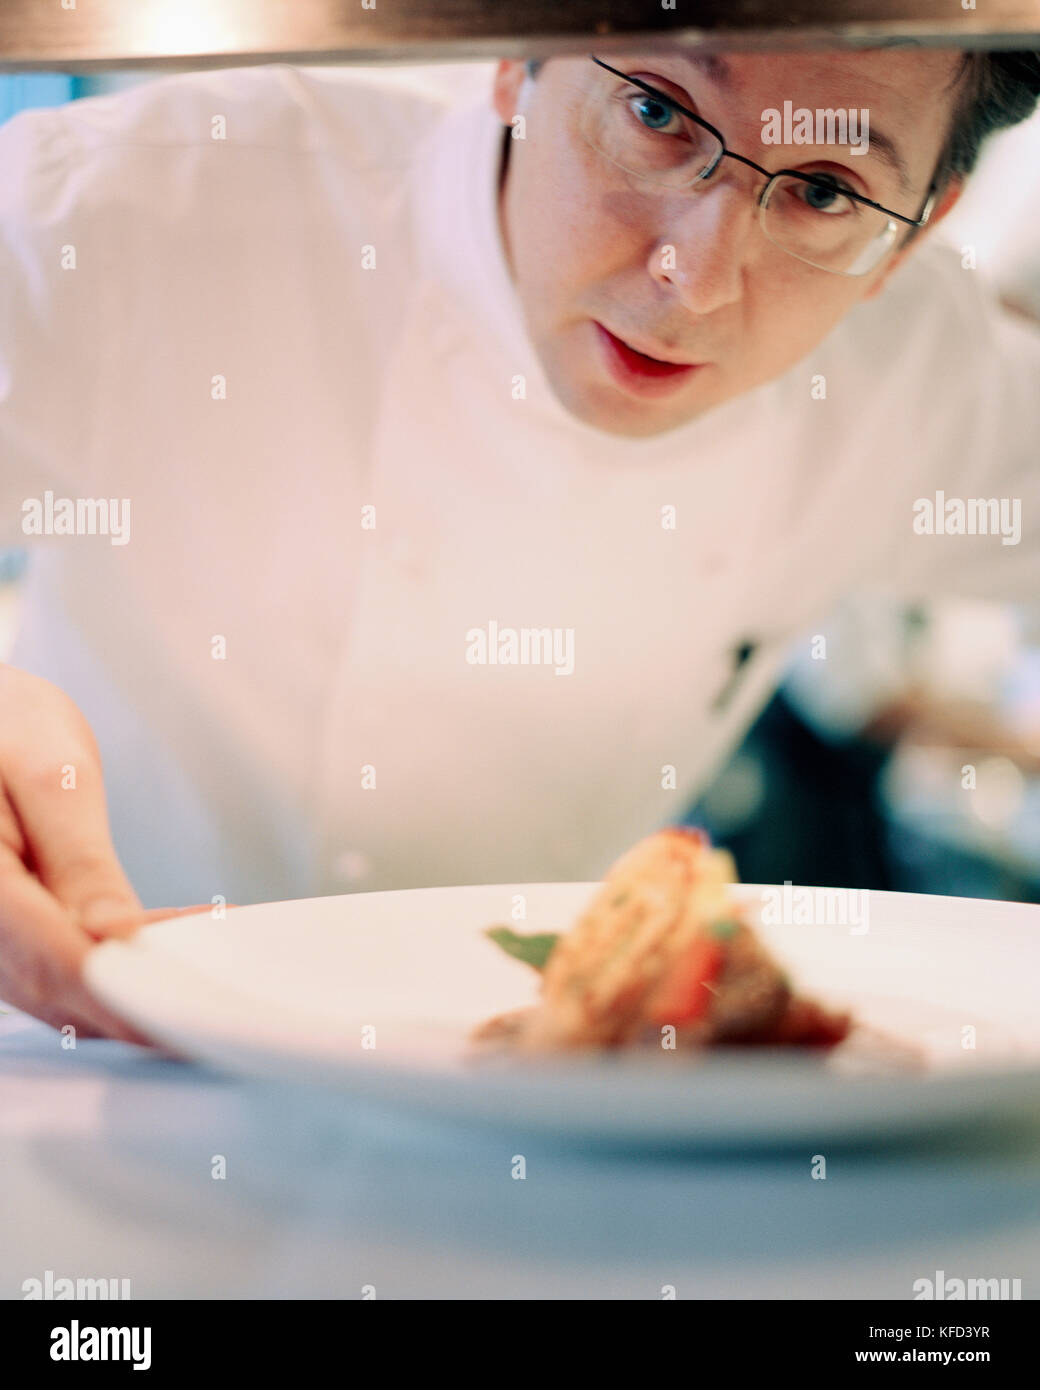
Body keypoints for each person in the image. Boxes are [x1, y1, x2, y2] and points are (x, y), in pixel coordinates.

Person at [1, 47, 1038, 1041]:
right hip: (82, 1053)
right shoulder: (152, 202)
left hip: (539, 1099)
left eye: (823, 189)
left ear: (910, 236)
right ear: (516, 58)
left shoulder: (905, 376)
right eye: (656, 115)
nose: (696, 276)